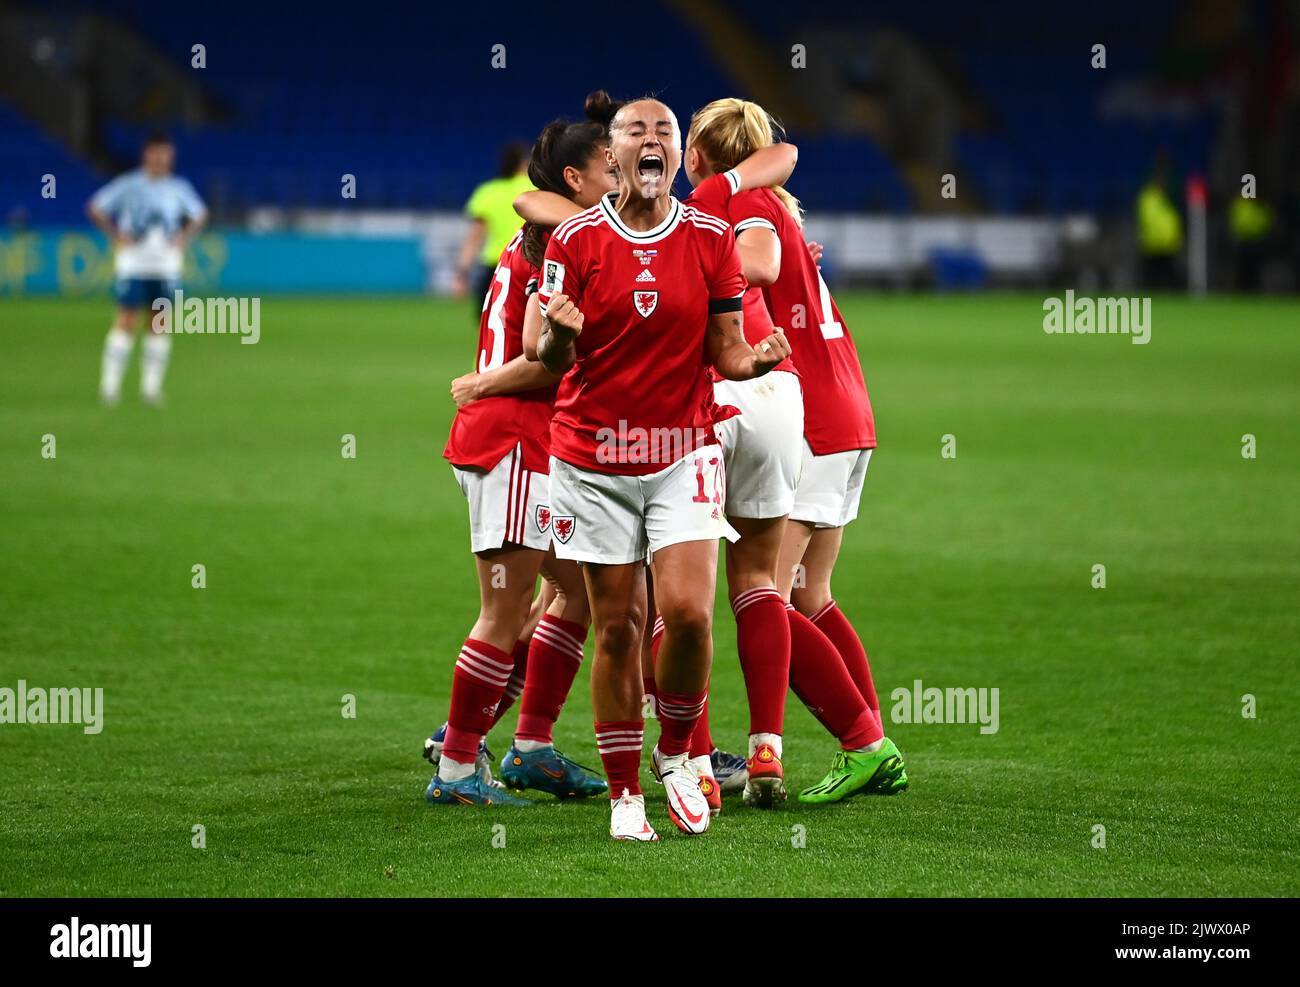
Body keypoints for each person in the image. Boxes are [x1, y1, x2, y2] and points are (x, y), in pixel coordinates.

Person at [535, 97, 790, 841]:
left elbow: (727, 348)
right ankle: (623, 793)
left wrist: (755, 363)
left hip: (682, 450)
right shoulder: (576, 241)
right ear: (613, 156)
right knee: (617, 627)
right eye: (635, 132)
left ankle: (677, 750)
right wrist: (559, 335)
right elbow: (553, 361)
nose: (651, 143)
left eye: (664, 134)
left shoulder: (711, 236)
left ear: (679, 156)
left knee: (689, 614)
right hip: (592, 456)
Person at [423, 102, 622, 808]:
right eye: (609, 165)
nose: (621, 171)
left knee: (578, 589)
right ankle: (454, 765)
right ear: (576, 176)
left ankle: (525, 745)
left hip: (532, 441)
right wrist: (479, 382)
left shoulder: (563, 229)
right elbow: (543, 357)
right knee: (504, 611)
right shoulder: (554, 236)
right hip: (511, 438)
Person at [87, 132, 206, 406]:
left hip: (166, 265)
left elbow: (200, 214)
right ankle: (110, 387)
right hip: (134, 264)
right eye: (155, 153)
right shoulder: (128, 184)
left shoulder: (178, 187)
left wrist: (183, 238)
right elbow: (95, 208)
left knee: (159, 323)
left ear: (171, 156)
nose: (160, 159)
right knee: (127, 319)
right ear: (145, 155)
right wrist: (116, 235)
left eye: (165, 153)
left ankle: (151, 389)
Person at [452, 141, 534, 317]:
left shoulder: (488, 192)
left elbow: (474, 239)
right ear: (523, 163)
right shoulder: (535, 190)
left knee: (491, 329)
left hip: (496, 268)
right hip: (529, 266)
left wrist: (461, 274)